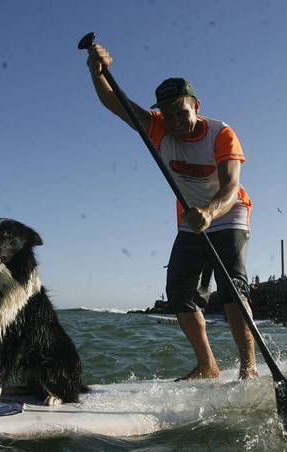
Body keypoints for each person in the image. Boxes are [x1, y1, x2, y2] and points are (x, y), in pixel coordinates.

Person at [86, 44, 257, 380]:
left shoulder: (222, 133)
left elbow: (230, 188)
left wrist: (209, 212)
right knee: (179, 292)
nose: (176, 121)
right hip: (191, 221)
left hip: (228, 213)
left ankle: (248, 367)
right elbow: (115, 102)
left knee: (231, 290)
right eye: (168, 114)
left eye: (182, 112)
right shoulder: (157, 127)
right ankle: (208, 366)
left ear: (197, 106)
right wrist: (96, 71)